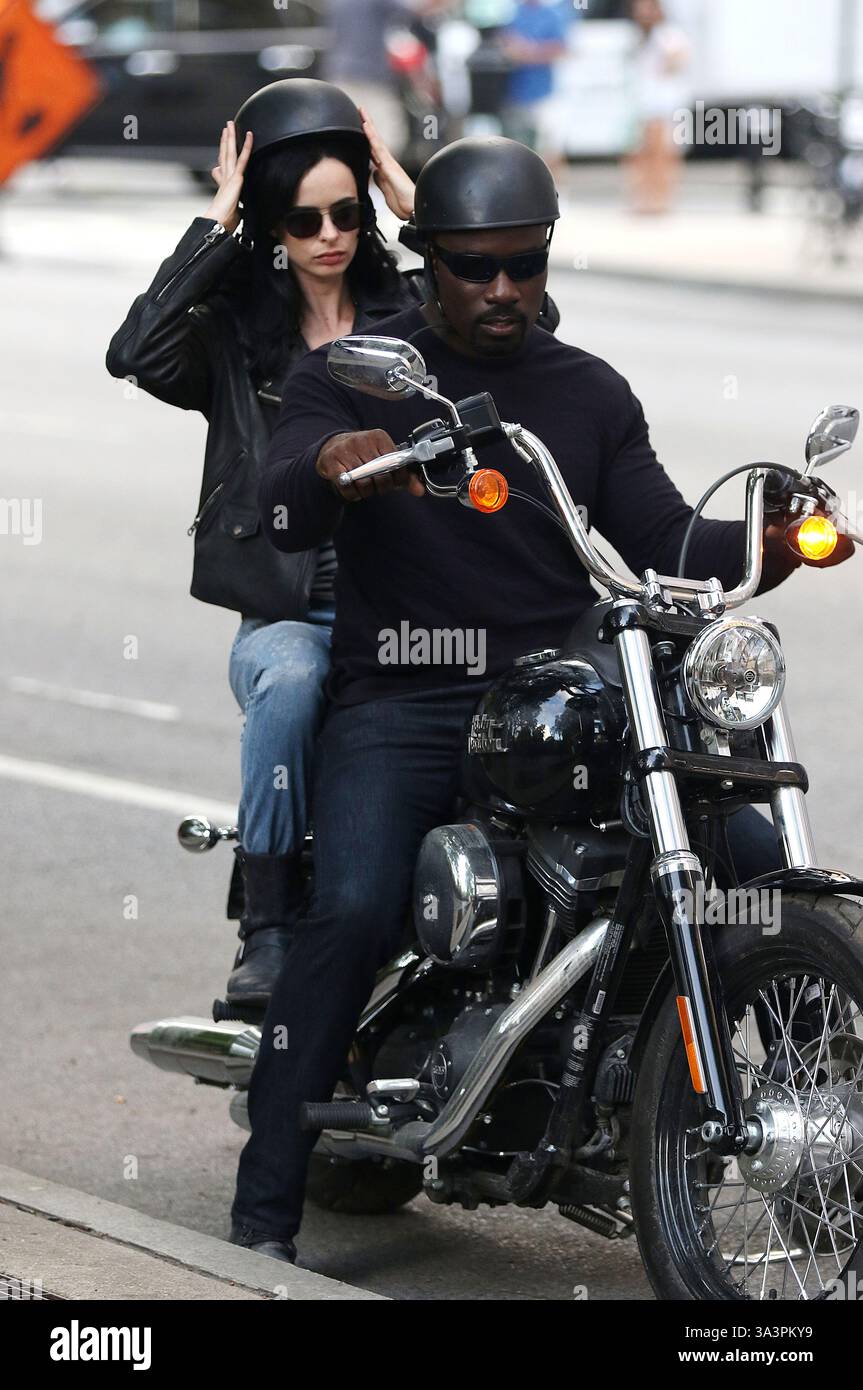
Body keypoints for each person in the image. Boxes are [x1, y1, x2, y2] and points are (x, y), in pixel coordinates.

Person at [228, 135, 852, 1262]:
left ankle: (829, 1144)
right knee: (355, 905)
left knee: (751, 860)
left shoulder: (586, 390)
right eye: (476, 267)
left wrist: (769, 538)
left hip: (563, 694)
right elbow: (279, 506)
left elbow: (664, 538)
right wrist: (328, 463)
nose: (503, 289)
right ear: (428, 261)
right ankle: (262, 1209)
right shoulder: (363, 370)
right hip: (408, 698)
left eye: (523, 263)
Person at [106, 80, 418, 1013]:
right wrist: (216, 220)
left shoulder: (411, 312)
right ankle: (270, 927)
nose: (328, 234)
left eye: (346, 211)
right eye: (301, 219)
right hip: (295, 611)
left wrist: (420, 205)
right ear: (270, 227)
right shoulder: (238, 336)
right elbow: (135, 352)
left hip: (418, 608)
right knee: (286, 684)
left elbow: (524, 325)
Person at [626, 0, 691, 214]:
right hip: (645, 105)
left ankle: (660, 199)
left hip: (663, 106)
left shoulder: (668, 35)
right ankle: (646, 197)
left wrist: (668, 60)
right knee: (643, 153)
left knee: (661, 154)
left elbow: (678, 61)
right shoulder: (640, 37)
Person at [500, 0, 568, 172]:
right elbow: (503, 45)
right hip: (516, 94)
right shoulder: (511, 14)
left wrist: (530, 52)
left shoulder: (551, 15)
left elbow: (561, 48)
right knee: (517, 147)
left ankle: (552, 187)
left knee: (550, 145)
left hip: (544, 92)